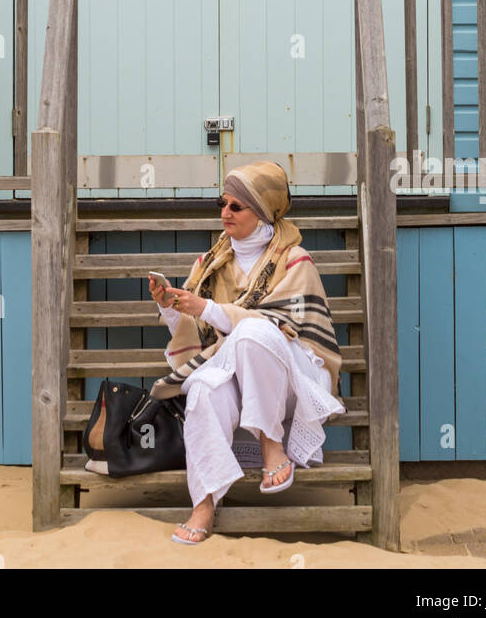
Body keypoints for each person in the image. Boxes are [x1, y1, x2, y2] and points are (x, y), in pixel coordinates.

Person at [147, 160, 346, 545]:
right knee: (203, 389)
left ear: (263, 211)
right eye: (222, 204)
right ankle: (204, 502)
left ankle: (272, 443)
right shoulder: (209, 265)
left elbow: (285, 329)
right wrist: (171, 307)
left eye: (236, 206)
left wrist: (206, 308)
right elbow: (197, 338)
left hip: (292, 380)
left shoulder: (295, 260)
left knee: (255, 331)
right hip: (235, 375)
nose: (225, 213)